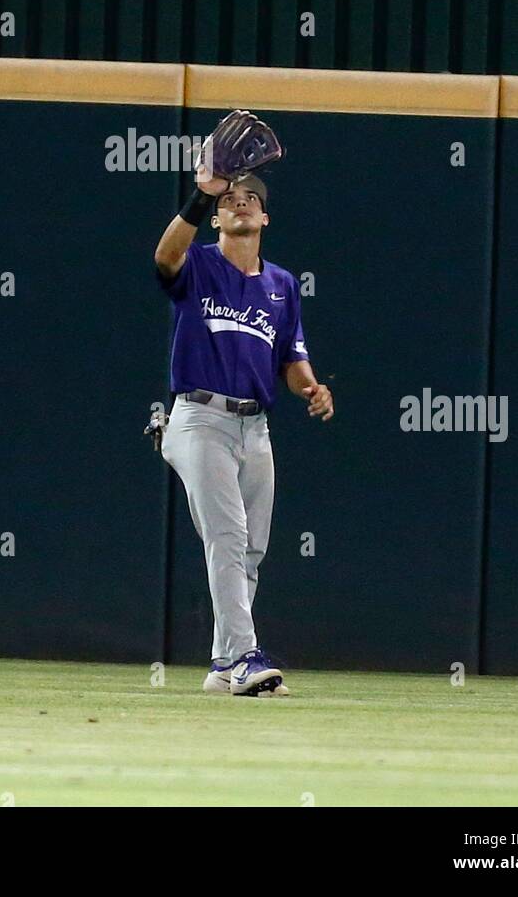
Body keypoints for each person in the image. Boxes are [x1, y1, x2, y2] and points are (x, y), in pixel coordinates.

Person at [154, 162, 334, 696]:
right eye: (230, 198)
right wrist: (200, 194)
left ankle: (220, 662)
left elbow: (291, 355)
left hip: (255, 427)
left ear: (265, 216)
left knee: (251, 546)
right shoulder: (199, 264)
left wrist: (311, 386)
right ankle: (246, 657)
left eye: (249, 197)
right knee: (229, 537)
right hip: (198, 418)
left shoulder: (282, 285)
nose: (240, 202)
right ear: (216, 218)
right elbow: (165, 257)